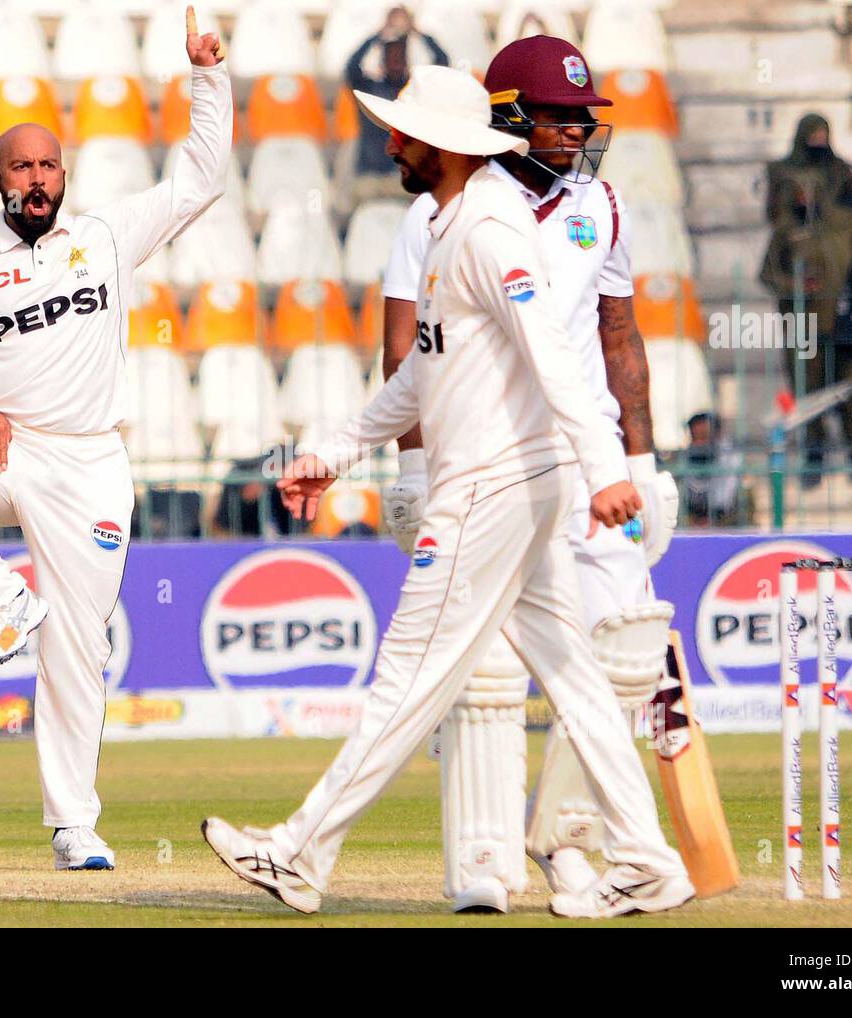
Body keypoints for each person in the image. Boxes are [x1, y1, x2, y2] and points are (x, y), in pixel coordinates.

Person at [201, 64, 693, 920]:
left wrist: (610, 469)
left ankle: (298, 852)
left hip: (493, 489)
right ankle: (650, 863)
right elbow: (419, 383)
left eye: (404, 133)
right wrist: (332, 452)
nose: (390, 143)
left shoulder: (490, 232)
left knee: (407, 677)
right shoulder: (446, 223)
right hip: (512, 483)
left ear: (443, 146)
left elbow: (553, 353)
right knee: (575, 678)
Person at [0, 8, 229, 872]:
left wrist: (207, 76)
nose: (34, 179)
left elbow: (200, 180)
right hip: (7, 448)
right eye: (19, 167)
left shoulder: (104, 239)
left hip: (92, 463)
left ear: (63, 174)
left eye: (46, 165)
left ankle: (74, 823)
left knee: (82, 642)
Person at [379, 35, 681, 912]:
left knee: (625, 646)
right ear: (508, 115)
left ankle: (574, 845)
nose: (578, 133)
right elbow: (408, 347)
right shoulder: (445, 205)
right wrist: (414, 469)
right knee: (483, 670)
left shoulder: (604, 204)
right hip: (483, 464)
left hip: (587, 473)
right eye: (559, 118)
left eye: (585, 118)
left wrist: (641, 459)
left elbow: (616, 336)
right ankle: (482, 857)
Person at [761, 113, 852, 488]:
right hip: (802, 322)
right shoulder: (788, 234)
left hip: (842, 320)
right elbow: (767, 273)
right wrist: (794, 285)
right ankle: (813, 457)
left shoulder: (846, 225)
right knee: (807, 393)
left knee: (850, 390)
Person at [340, 6, 447, 211]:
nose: (395, 60)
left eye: (400, 54)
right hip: (371, 179)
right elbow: (351, 67)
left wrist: (416, 31)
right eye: (390, 55)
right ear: (382, 59)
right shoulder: (369, 89)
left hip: (405, 180)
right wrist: (380, 33)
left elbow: (441, 63)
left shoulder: (416, 90)